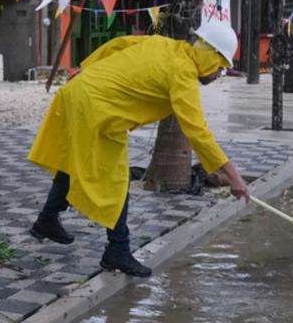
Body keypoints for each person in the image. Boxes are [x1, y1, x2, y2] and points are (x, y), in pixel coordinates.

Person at [27, 20, 249, 277]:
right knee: (117, 180)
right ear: (211, 57)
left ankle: (46, 220)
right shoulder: (183, 74)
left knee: (75, 162)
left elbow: (116, 46)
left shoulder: (165, 44)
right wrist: (233, 176)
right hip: (96, 108)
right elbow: (197, 131)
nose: (218, 74)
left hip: (79, 92)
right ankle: (117, 250)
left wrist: (86, 69)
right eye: (220, 68)